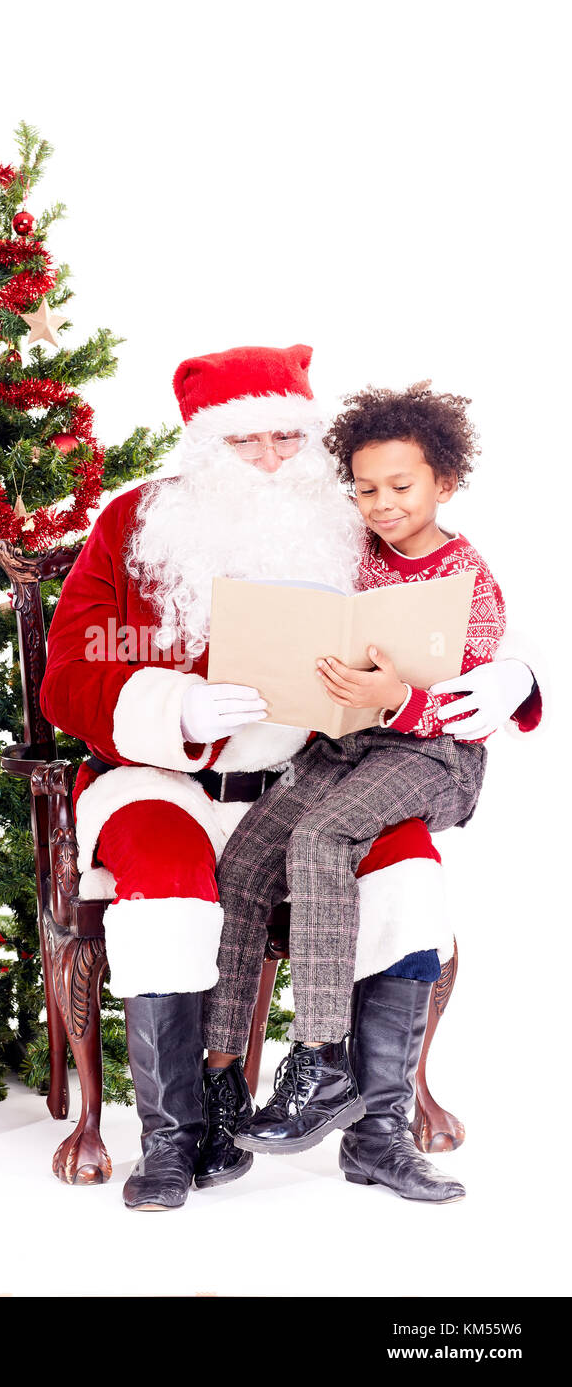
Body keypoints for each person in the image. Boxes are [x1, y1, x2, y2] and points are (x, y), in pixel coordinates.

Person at [39, 346, 541, 1211]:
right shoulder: (136, 526)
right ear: (203, 447)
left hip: (315, 773)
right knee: (166, 887)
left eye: (287, 437)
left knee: (408, 870)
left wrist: (515, 679)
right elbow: (67, 675)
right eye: (246, 442)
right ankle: (178, 1137)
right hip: (164, 781)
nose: (273, 460)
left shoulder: (354, 522)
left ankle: (375, 1133)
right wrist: (178, 709)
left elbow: (452, 612)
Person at [204, 383, 518, 1202]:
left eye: (402, 487)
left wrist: (392, 697)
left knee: (321, 839)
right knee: (242, 864)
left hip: (437, 756)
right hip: (345, 744)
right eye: (367, 487)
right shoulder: (347, 549)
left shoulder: (467, 577)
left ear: (445, 481)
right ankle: (222, 1073)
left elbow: (471, 711)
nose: (382, 504)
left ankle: (321, 1061)